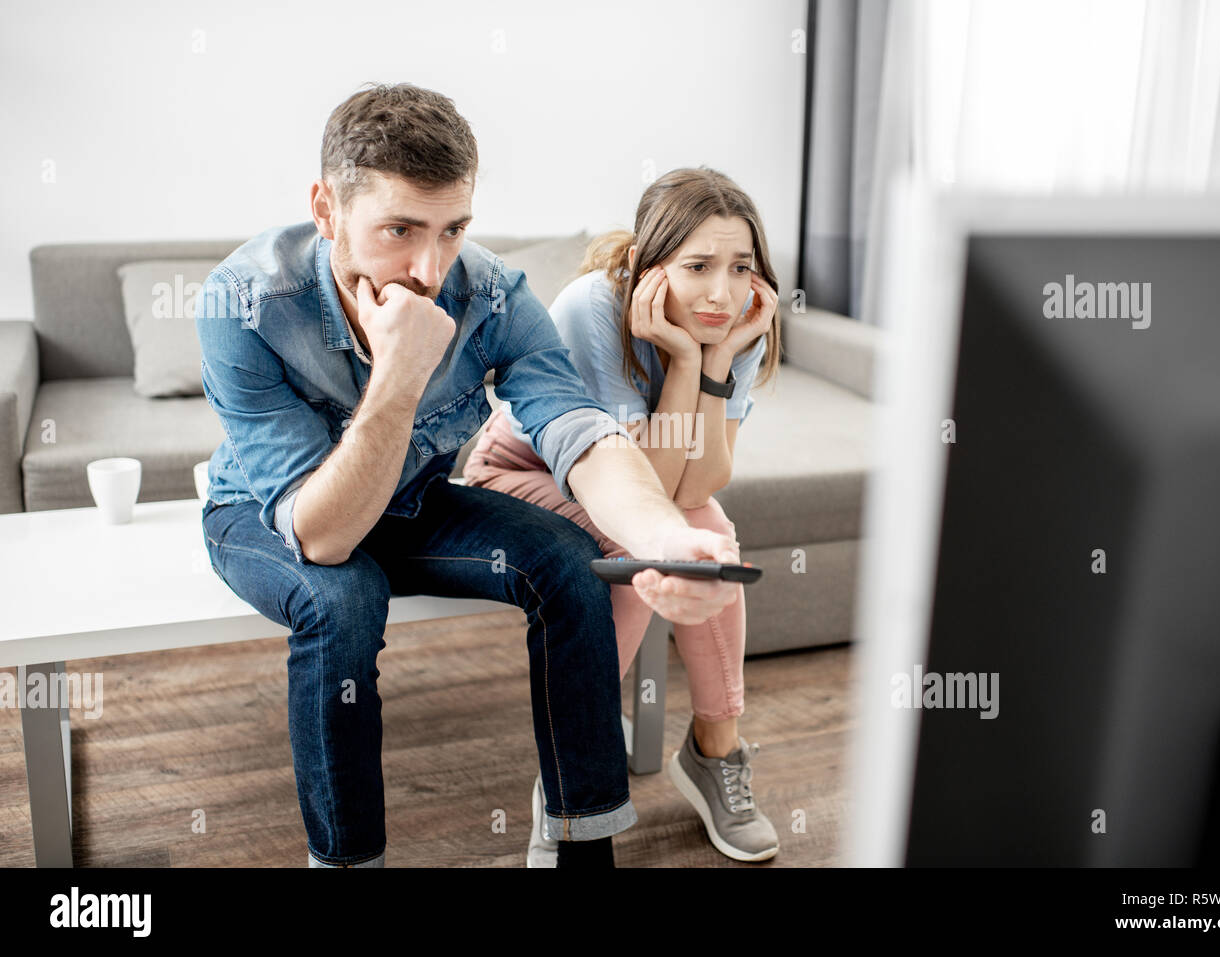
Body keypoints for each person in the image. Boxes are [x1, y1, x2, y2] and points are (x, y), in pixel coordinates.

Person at [195, 84, 742, 870]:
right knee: (343, 594)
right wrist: (398, 376)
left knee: (566, 557)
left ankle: (579, 845)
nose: (429, 266)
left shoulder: (489, 294)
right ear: (325, 209)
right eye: (399, 230)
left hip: (409, 498)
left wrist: (663, 538)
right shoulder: (244, 302)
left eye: (452, 229)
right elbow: (322, 534)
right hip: (269, 513)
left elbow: (578, 434)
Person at [463, 167, 783, 864]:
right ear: (648, 265)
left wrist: (715, 358)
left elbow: (702, 476)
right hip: (521, 472)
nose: (722, 291)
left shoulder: (741, 320)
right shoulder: (591, 306)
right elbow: (645, 490)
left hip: (637, 488)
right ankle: (576, 765)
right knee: (641, 541)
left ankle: (714, 749)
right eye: (698, 266)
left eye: (740, 267)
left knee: (707, 536)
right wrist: (677, 357)